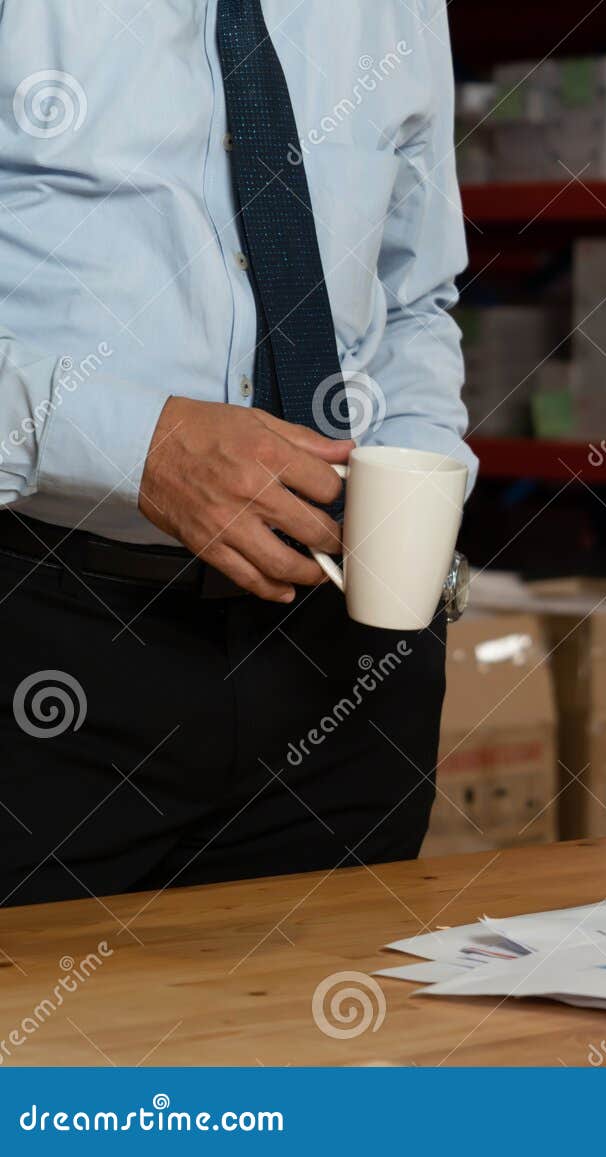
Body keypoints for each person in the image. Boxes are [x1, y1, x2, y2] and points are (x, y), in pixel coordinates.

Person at [0, 3, 475, 906]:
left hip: (345, 663)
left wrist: (417, 497)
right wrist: (139, 447)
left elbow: (415, 297)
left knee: (324, 1028)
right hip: (45, 645)